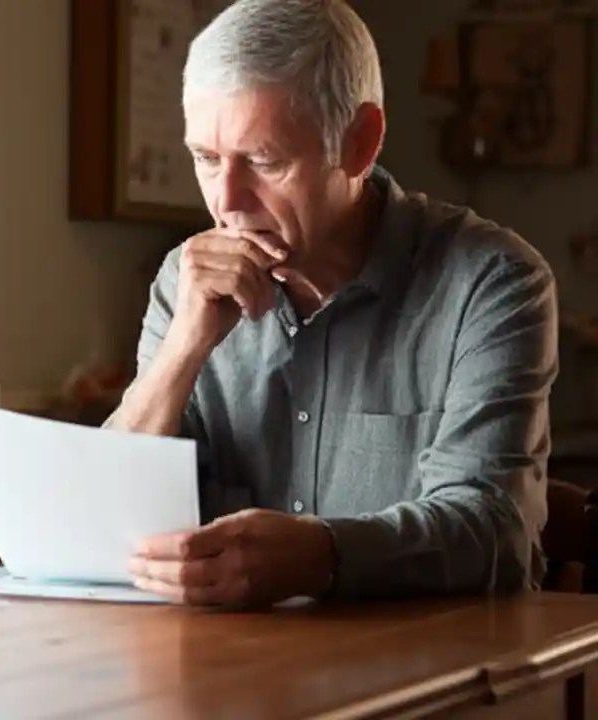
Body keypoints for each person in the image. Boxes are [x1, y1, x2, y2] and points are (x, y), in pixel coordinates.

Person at [109, 0, 557, 604]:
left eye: (264, 161)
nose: (228, 201)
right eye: (207, 159)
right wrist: (182, 351)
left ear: (360, 143)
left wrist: (321, 556)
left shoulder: (492, 283)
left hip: (433, 675)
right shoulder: (183, 282)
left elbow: (494, 531)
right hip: (224, 672)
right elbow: (108, 512)